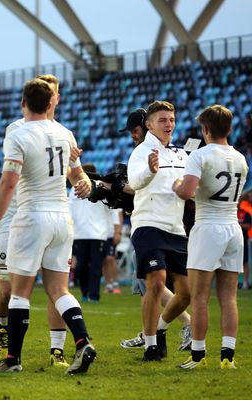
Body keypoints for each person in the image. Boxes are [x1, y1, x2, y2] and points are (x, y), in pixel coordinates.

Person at [0, 78, 96, 374]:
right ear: (50, 104)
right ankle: (83, 340)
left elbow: (8, 183)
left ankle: (12, 359)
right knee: (59, 289)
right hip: (62, 217)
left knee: (20, 292)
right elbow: (78, 176)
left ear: (23, 103)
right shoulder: (64, 133)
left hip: (31, 216)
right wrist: (84, 185)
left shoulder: (18, 134)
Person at [172, 105, 247, 369]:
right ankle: (228, 357)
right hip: (233, 228)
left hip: (208, 227)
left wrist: (177, 185)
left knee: (200, 296)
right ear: (229, 128)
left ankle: (198, 356)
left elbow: (186, 192)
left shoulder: (200, 155)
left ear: (205, 129)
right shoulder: (240, 157)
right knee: (229, 297)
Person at [118, 108, 191, 351]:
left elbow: (193, 188)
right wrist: (150, 170)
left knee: (186, 292)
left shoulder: (182, 154)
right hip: (148, 224)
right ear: (150, 124)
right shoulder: (141, 152)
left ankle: (158, 329)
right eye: (162, 120)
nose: (168, 123)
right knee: (156, 281)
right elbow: (136, 182)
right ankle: (150, 345)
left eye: (171, 119)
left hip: (176, 228)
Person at [69, 164, 110, 303]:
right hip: (80, 233)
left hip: (98, 233)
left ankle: (94, 295)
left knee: (95, 266)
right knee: (81, 266)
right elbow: (70, 211)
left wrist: (113, 230)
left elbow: (112, 208)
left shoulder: (101, 186)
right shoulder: (75, 188)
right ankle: (85, 292)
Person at [103, 209, 123, 294]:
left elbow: (119, 215)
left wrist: (118, 232)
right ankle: (108, 284)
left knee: (110, 258)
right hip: (101, 233)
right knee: (103, 260)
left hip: (111, 233)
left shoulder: (113, 199)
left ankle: (115, 283)